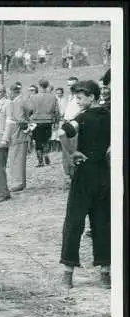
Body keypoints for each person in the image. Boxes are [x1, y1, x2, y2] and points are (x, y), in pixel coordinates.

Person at [58, 80, 111, 289]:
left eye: (80, 98)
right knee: (102, 222)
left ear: (91, 97)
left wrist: (72, 153)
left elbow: (62, 133)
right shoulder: (112, 116)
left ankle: (68, 273)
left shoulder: (82, 117)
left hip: (84, 174)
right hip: (104, 175)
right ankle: (105, 272)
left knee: (74, 222)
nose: (77, 101)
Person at [5, 83, 32, 192]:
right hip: (20, 135)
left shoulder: (16, 102)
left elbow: (21, 120)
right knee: (18, 158)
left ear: (12, 92)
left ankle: (18, 183)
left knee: (16, 159)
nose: (8, 95)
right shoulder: (23, 100)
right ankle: (20, 182)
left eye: (8, 92)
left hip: (17, 134)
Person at [28, 79, 60, 167]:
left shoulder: (33, 97)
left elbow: (29, 110)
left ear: (39, 85)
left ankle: (40, 161)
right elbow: (57, 111)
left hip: (36, 121)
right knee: (46, 139)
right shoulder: (53, 97)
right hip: (48, 121)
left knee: (37, 141)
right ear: (47, 86)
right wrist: (56, 121)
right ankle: (46, 153)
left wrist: (29, 118)